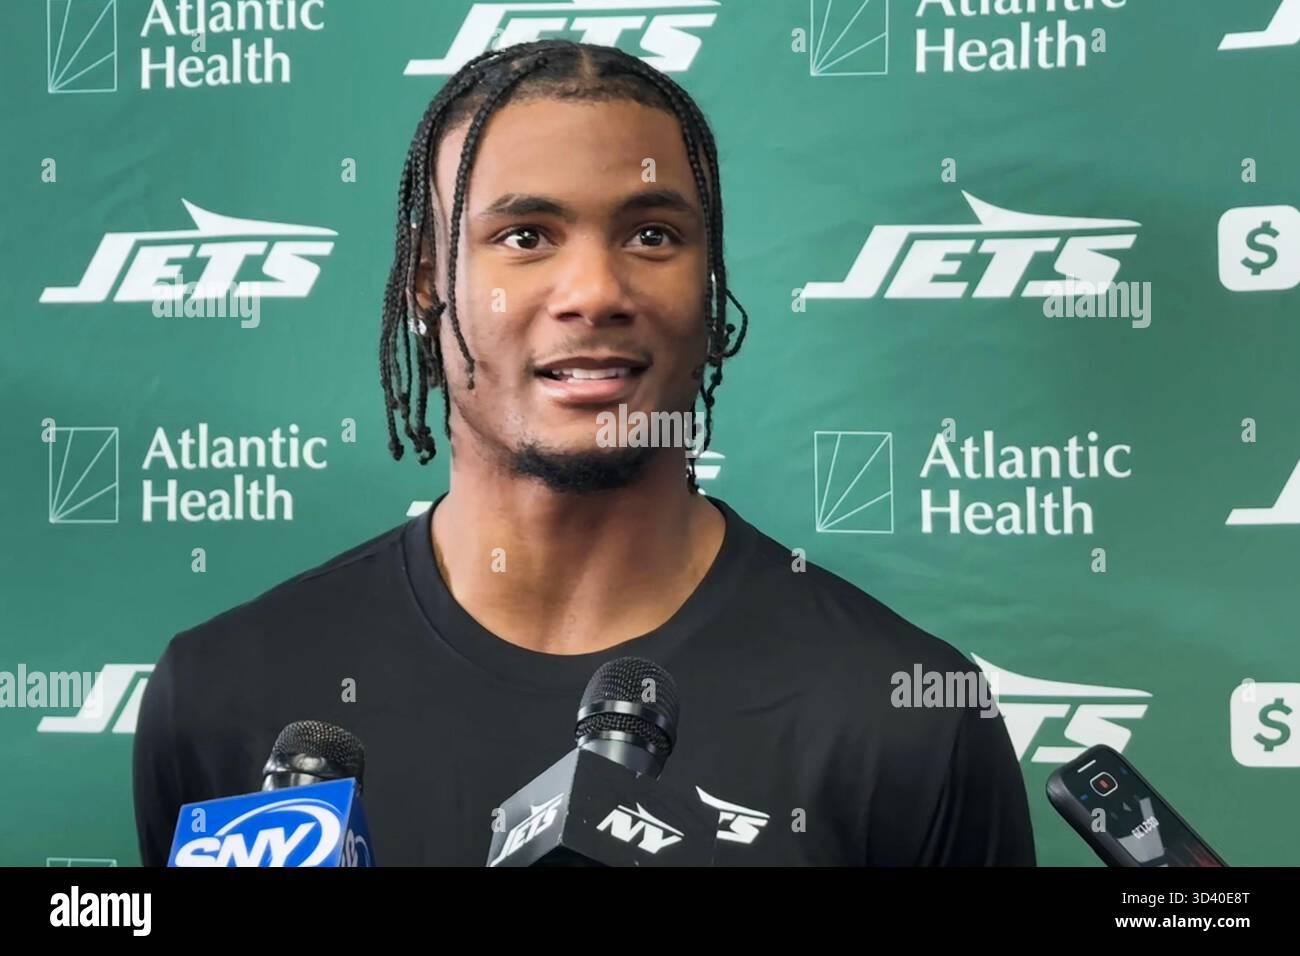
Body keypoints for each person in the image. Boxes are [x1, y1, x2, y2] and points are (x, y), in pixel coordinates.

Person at [133, 39, 1035, 866]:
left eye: (653, 235)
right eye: (524, 237)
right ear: (425, 277)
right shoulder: (223, 693)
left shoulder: (904, 712)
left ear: (710, 277)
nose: (596, 291)